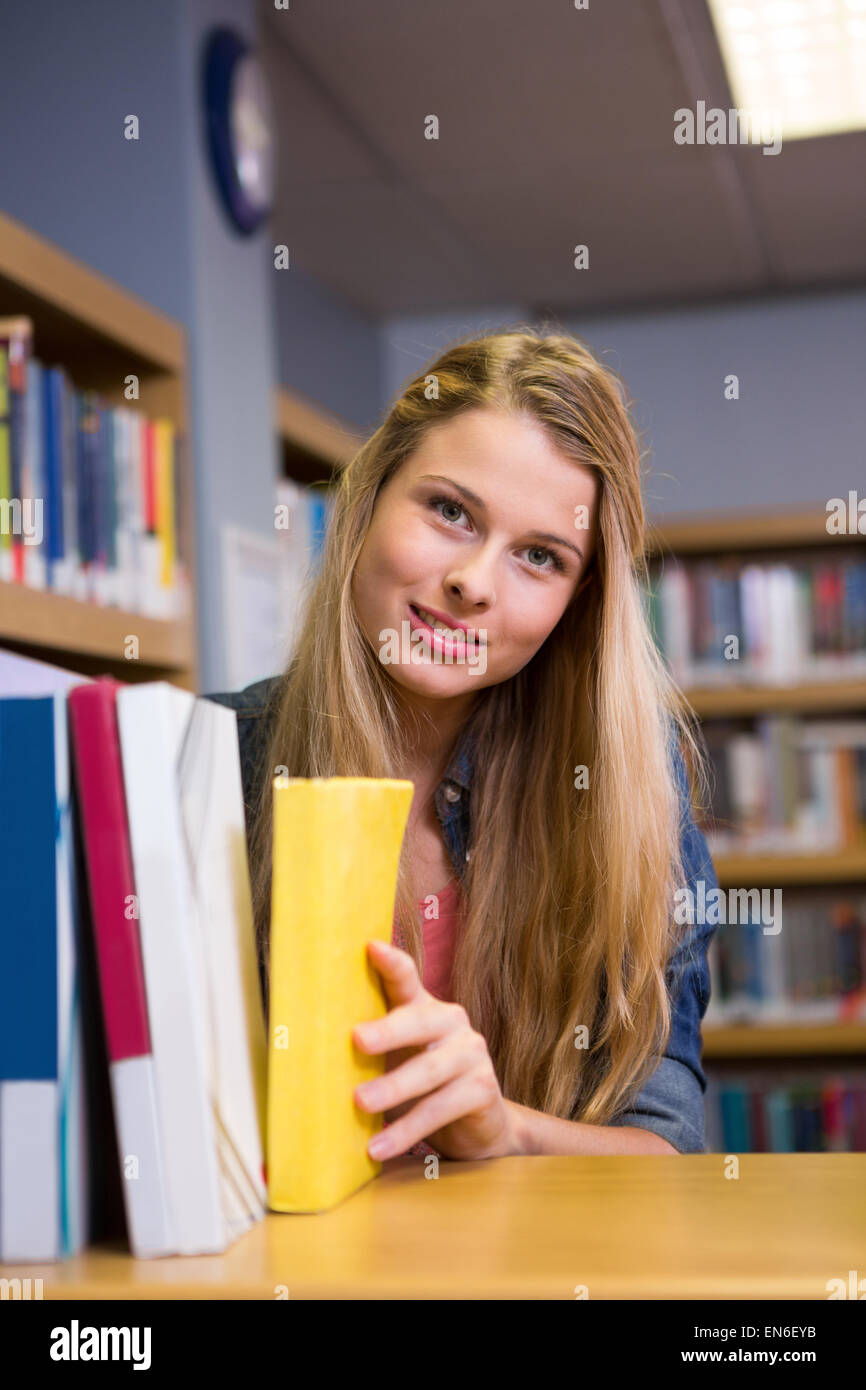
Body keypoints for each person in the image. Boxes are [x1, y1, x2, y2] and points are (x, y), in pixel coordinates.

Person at [207, 328, 719, 1162]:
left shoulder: (633, 796)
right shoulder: (209, 762)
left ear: (577, 605)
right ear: (368, 499)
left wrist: (505, 1130)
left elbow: (666, 1153)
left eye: (539, 558)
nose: (474, 584)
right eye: (450, 511)